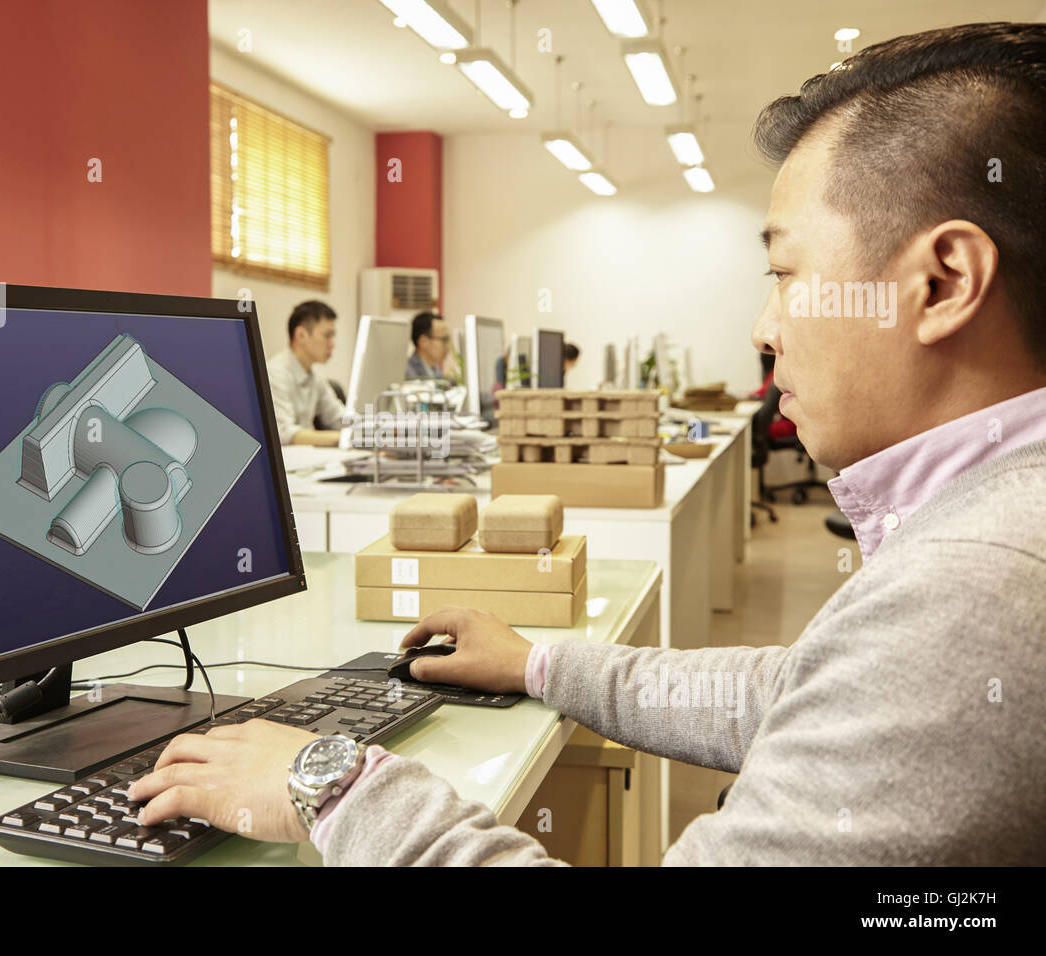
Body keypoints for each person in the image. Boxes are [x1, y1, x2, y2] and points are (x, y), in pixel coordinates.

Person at [128, 22, 1046, 865]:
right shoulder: (989, 536)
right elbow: (803, 696)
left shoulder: (976, 584)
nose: (765, 328)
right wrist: (538, 662)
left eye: (785, 273)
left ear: (942, 281)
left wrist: (328, 783)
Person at [265, 300, 346, 447]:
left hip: (308, 458)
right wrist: (344, 437)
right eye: (327, 336)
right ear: (301, 335)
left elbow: (338, 417)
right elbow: (284, 434)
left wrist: (382, 428)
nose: (332, 343)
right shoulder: (274, 373)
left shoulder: (315, 375)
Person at [405, 311, 450, 380]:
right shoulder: (408, 373)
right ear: (423, 341)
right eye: (444, 339)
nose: (447, 345)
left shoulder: (436, 369)